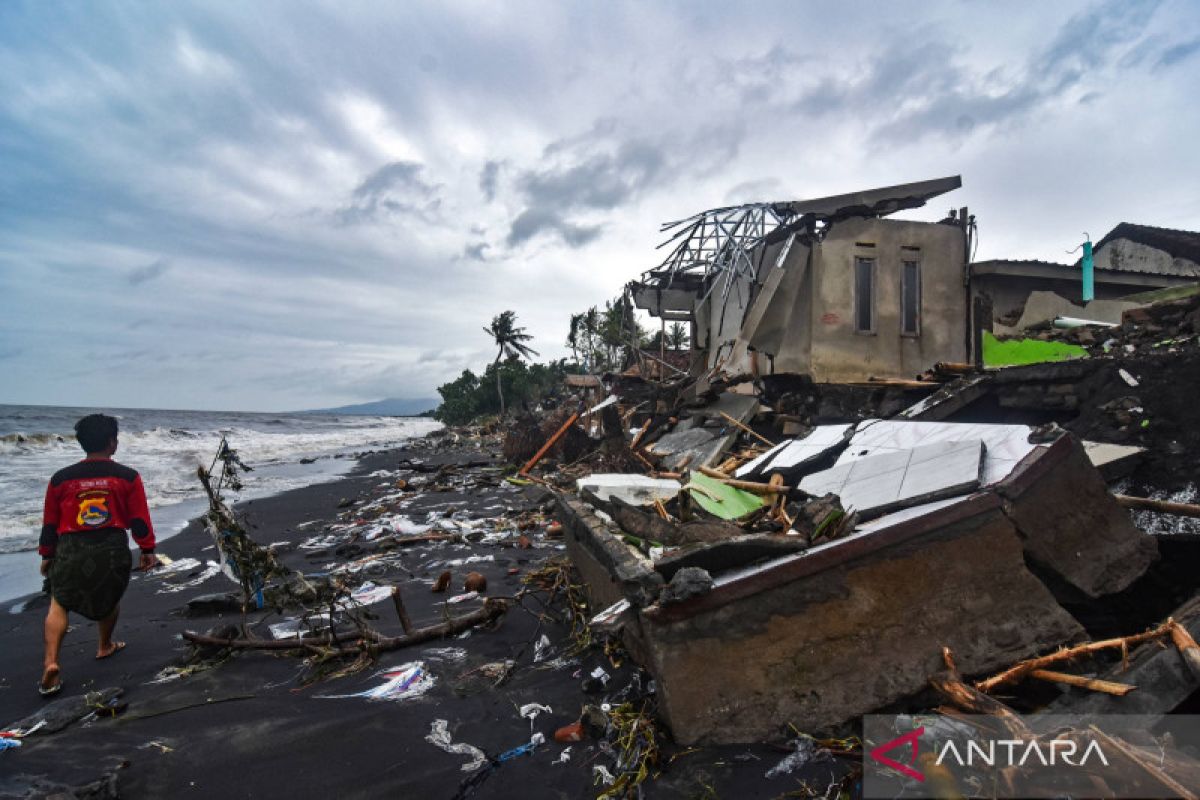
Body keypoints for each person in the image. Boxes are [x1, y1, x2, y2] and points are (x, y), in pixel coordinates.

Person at [37, 413, 158, 696]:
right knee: (110, 595)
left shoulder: (60, 479)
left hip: (71, 547)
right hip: (111, 547)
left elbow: (50, 523)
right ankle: (104, 646)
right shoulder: (127, 476)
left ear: (82, 442)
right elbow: (139, 519)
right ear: (112, 442)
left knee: (59, 602)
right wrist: (147, 549)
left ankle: (51, 662)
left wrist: (47, 554)